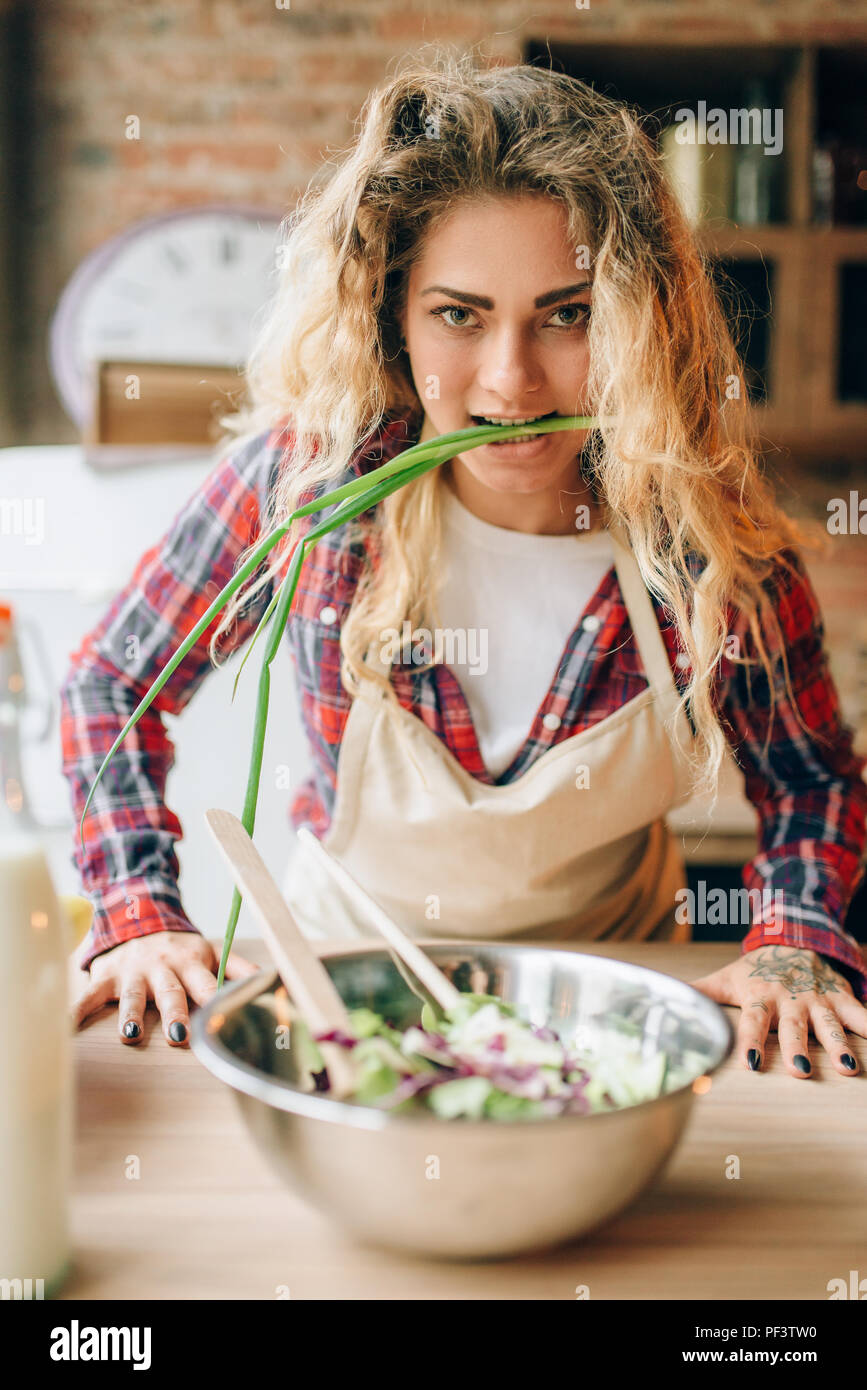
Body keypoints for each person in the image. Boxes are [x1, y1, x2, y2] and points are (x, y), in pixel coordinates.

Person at [62, 52, 866, 1079]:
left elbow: (810, 779)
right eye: (460, 313)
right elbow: (112, 683)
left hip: (613, 1010)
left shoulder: (706, 542)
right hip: (339, 999)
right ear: (393, 315)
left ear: (636, 319)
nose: (511, 380)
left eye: (568, 314)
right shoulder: (308, 487)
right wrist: (136, 914)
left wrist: (793, 940)